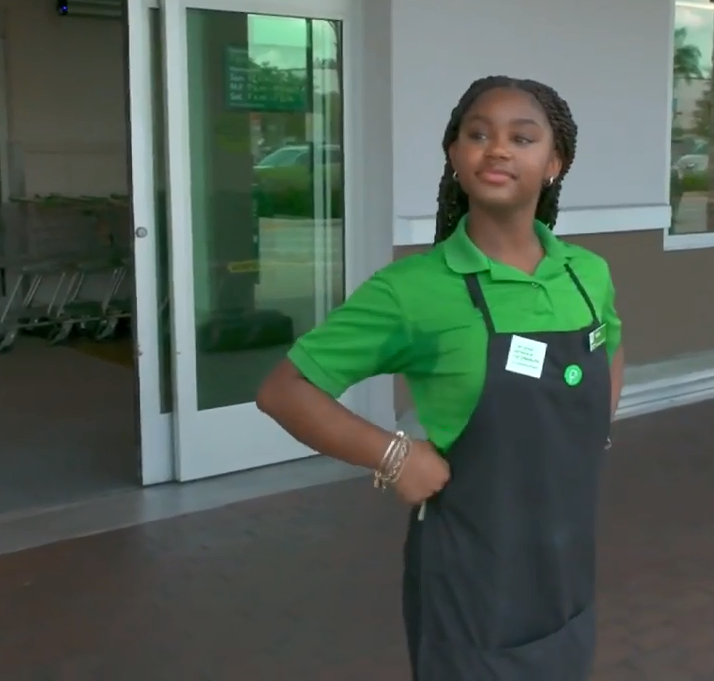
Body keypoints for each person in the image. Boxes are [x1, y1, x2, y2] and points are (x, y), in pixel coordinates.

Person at [257, 75, 625, 679]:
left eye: (522, 138)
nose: (498, 149)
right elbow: (284, 391)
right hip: (473, 579)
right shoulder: (414, 291)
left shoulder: (587, 273)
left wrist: (590, 426)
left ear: (554, 162)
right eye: (477, 134)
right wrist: (394, 457)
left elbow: (609, 341)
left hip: (565, 569)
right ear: (455, 156)